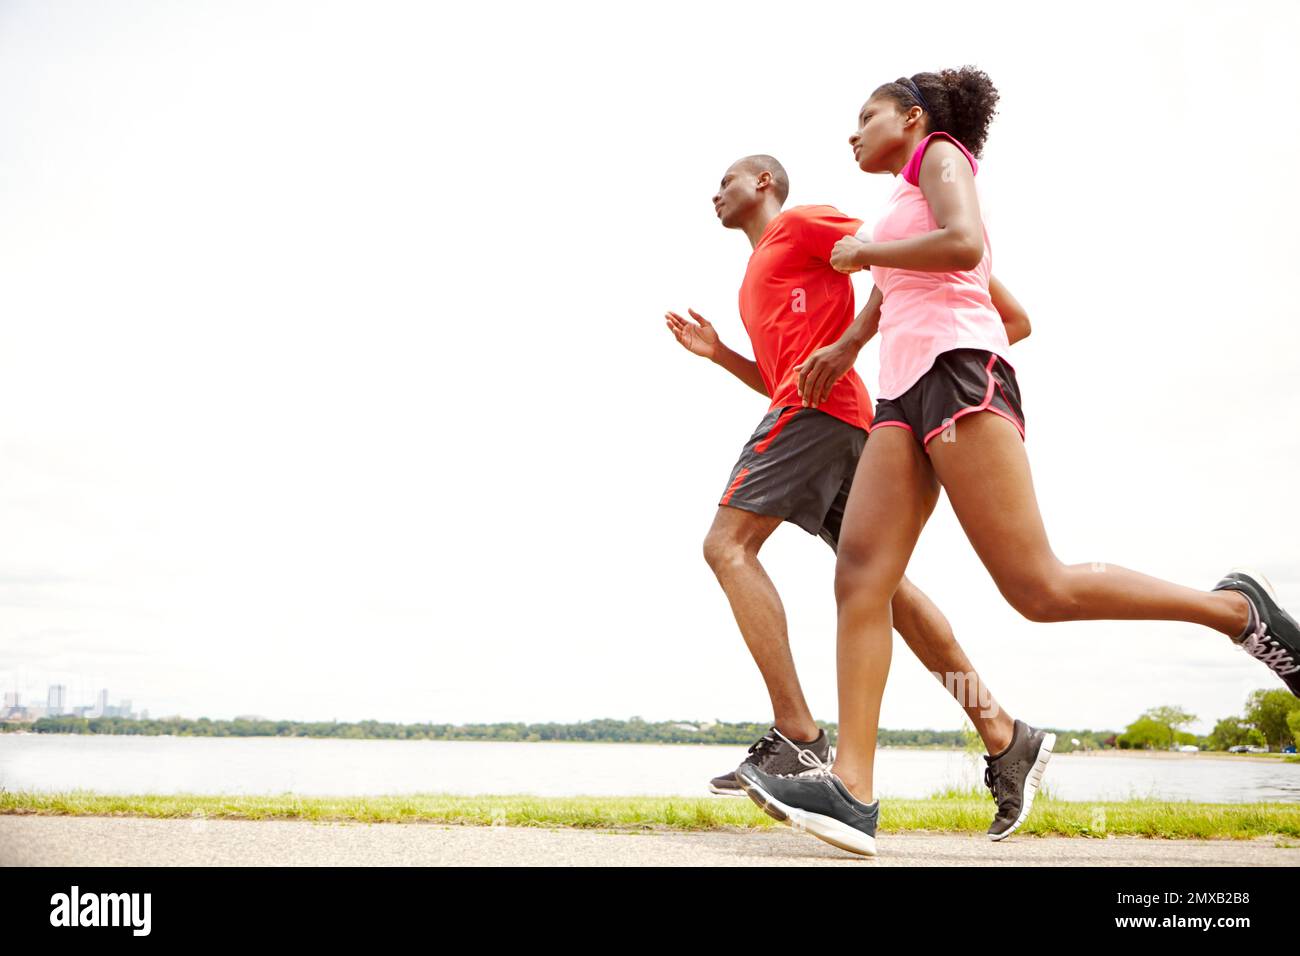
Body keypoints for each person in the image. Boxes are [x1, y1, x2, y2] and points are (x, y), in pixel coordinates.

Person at [735, 67, 1300, 858]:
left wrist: (872, 255)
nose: (853, 132)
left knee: (1038, 587)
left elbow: (964, 247)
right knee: (860, 575)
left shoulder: (940, 156)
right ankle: (854, 792)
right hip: (901, 399)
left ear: (912, 114)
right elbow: (896, 290)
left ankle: (1238, 612)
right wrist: (853, 340)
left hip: (960, 379)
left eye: (866, 116)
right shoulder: (901, 203)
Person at [666, 152, 1052, 840]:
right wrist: (722, 353)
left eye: (724, 180)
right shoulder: (755, 275)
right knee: (887, 590)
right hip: (833, 418)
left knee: (727, 545)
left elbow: (893, 255)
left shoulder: (802, 223)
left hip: (820, 416)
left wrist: (990, 301)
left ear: (763, 183)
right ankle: (1002, 732)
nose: (713, 193)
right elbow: (786, 373)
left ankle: (797, 734)